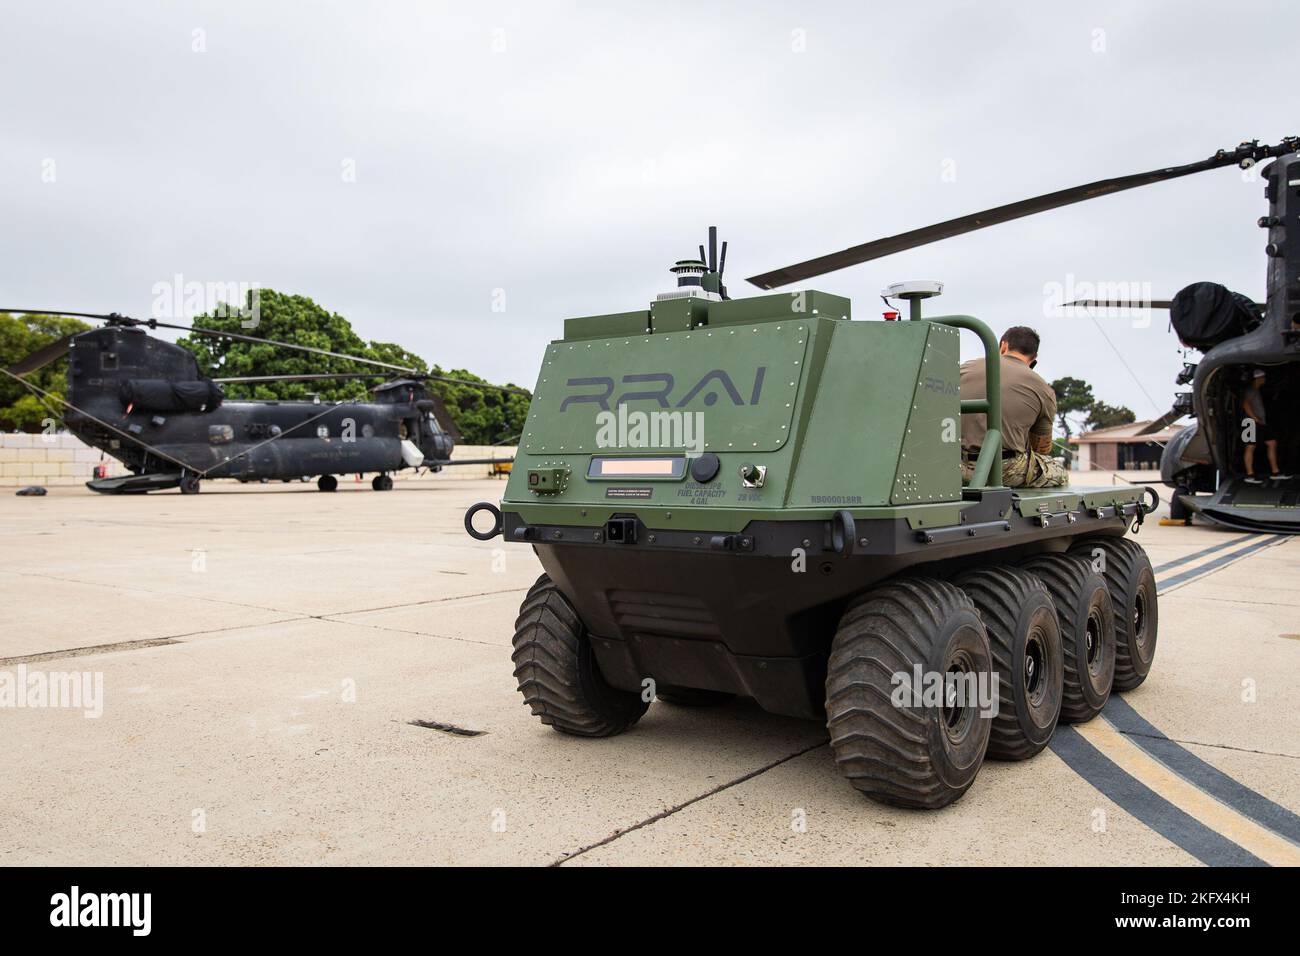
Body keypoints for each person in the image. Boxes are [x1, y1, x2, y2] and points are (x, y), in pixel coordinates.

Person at [959, 326, 1067, 488]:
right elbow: (1041, 448)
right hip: (1002, 470)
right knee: (1059, 471)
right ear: (1034, 357)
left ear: (1003, 346)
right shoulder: (1043, 388)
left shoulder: (964, 368)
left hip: (953, 467)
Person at [1241, 368, 1289, 483]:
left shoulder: (1256, 390)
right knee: (1250, 447)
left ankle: (1275, 472)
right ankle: (1250, 475)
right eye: (1263, 378)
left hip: (1260, 422)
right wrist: (1255, 418)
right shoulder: (1251, 390)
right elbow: (1245, 404)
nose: (1265, 380)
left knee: (1272, 443)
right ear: (1259, 378)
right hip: (1251, 423)